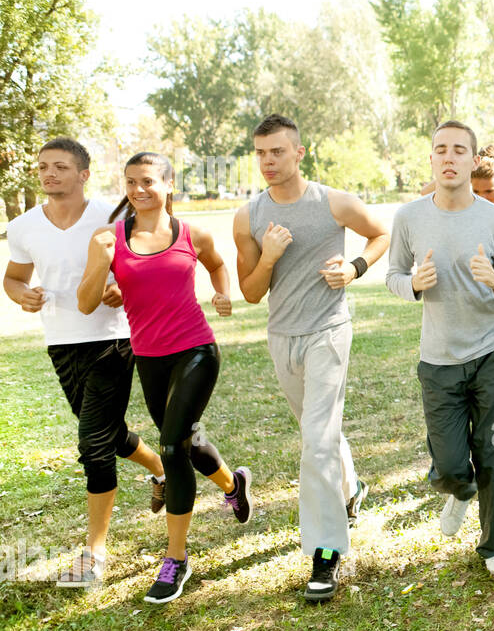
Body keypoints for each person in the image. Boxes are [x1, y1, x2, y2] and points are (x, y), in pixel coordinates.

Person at [76, 152, 252, 605]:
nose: (139, 190)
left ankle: (176, 559)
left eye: (149, 181)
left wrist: (221, 292)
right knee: (188, 443)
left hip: (196, 350)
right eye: (131, 182)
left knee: (172, 446)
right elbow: (85, 302)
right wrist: (101, 265)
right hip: (148, 359)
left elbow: (216, 264)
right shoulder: (110, 239)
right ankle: (234, 486)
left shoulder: (192, 234)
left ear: (169, 185)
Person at [232, 114, 390, 603]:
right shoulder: (249, 217)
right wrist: (271, 255)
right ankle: (352, 487)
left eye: (277, 152)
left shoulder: (332, 202)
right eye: (260, 153)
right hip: (283, 336)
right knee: (319, 434)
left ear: (299, 153)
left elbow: (380, 234)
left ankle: (325, 552)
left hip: (328, 331)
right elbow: (251, 292)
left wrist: (355, 265)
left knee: (315, 444)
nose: (268, 162)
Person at [3, 138, 167, 588]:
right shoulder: (23, 227)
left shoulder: (114, 220)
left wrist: (122, 289)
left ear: (83, 175)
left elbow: (149, 269)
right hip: (61, 343)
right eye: (43, 167)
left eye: (60, 167)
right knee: (109, 435)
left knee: (92, 444)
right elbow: (13, 278)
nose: (49, 174)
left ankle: (94, 554)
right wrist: (23, 295)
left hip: (113, 339)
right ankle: (160, 468)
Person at [386, 121, 494, 575]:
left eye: (459, 150)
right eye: (440, 149)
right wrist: (414, 286)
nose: (449, 157)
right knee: (448, 459)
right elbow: (392, 276)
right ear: (431, 159)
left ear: (473, 160)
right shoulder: (408, 218)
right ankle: (460, 487)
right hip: (438, 358)